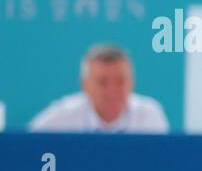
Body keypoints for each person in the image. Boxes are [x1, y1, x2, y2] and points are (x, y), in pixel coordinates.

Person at [29, 44, 169, 133]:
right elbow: (29, 151)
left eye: (120, 81)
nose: (112, 91)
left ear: (132, 82)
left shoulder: (150, 115)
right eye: (102, 82)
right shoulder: (60, 118)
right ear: (85, 85)